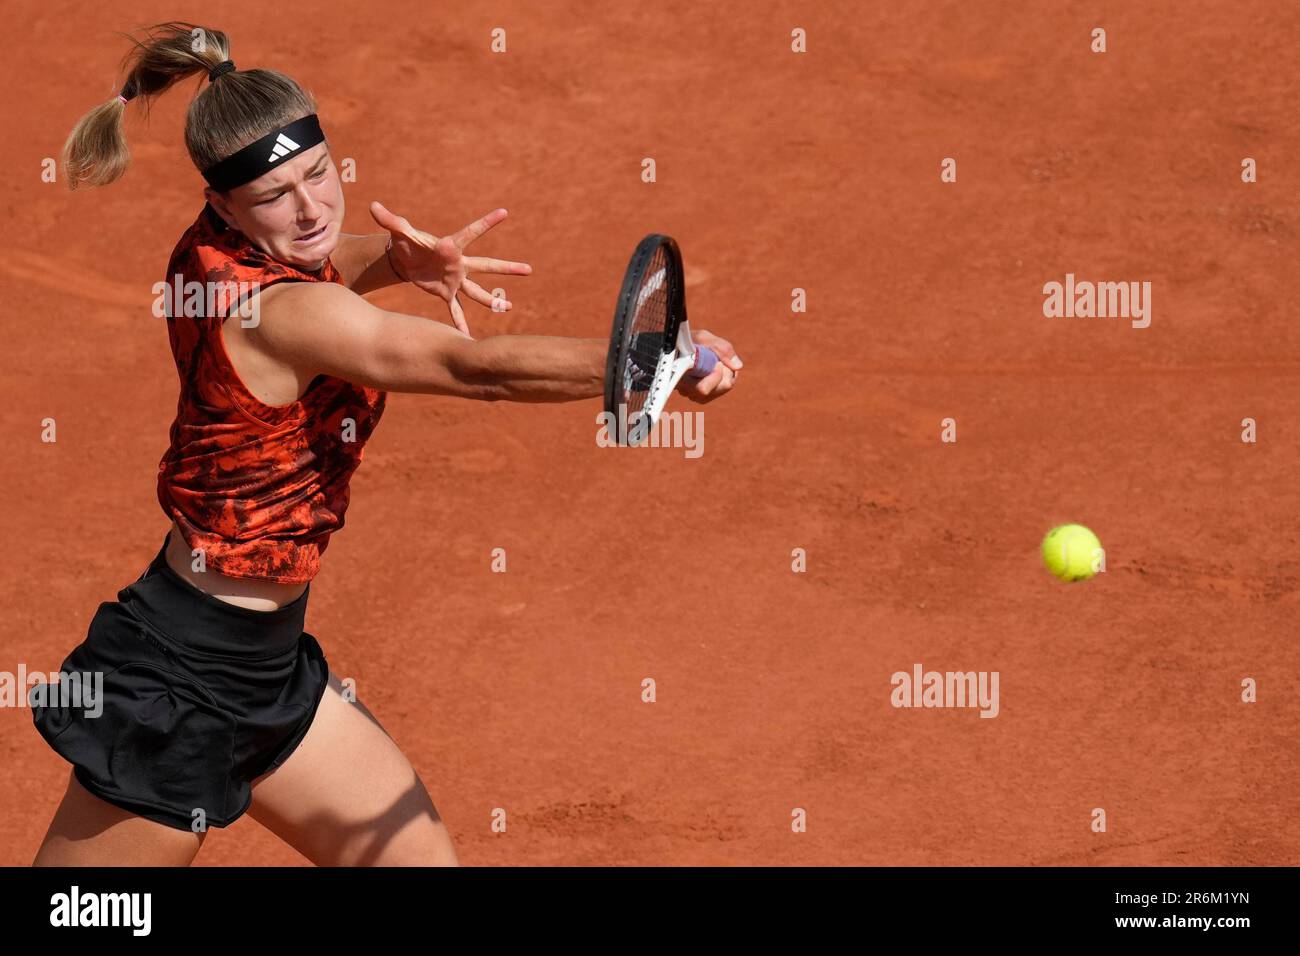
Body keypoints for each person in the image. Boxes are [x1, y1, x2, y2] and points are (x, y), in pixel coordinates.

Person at [31, 21, 741, 866]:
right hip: (181, 682)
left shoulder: (209, 253)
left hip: (268, 669)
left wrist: (397, 260)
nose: (310, 208)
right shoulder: (284, 317)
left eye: (320, 174)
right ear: (224, 203)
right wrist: (643, 359)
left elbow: (318, 256)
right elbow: (470, 368)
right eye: (276, 197)